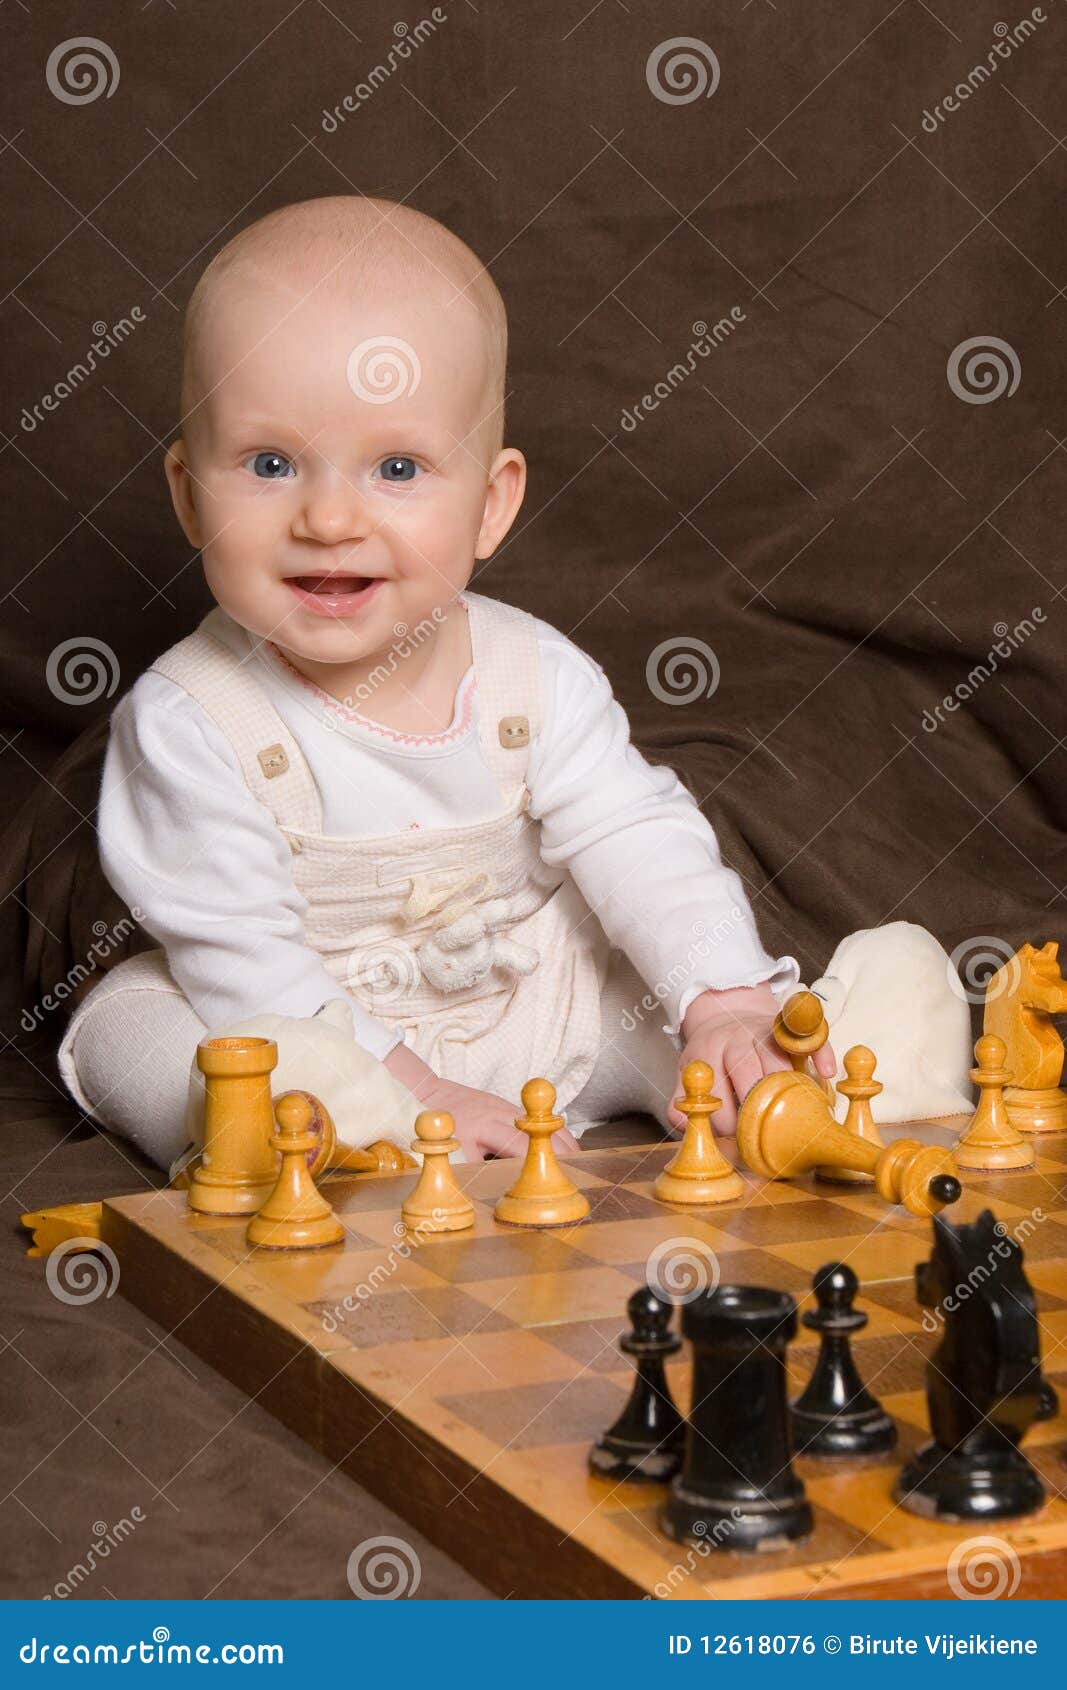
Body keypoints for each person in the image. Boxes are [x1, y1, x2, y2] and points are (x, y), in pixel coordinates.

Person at [58, 194, 834, 1170]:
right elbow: (240, 956)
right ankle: (309, 1136)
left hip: (530, 1011)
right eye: (268, 462)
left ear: (489, 505)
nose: (330, 518)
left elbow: (637, 838)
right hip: (307, 1031)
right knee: (133, 1023)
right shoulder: (190, 720)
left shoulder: (533, 677)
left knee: (658, 994)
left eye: (395, 465)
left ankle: (757, 1076)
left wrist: (722, 997)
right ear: (186, 492)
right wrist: (408, 1089)